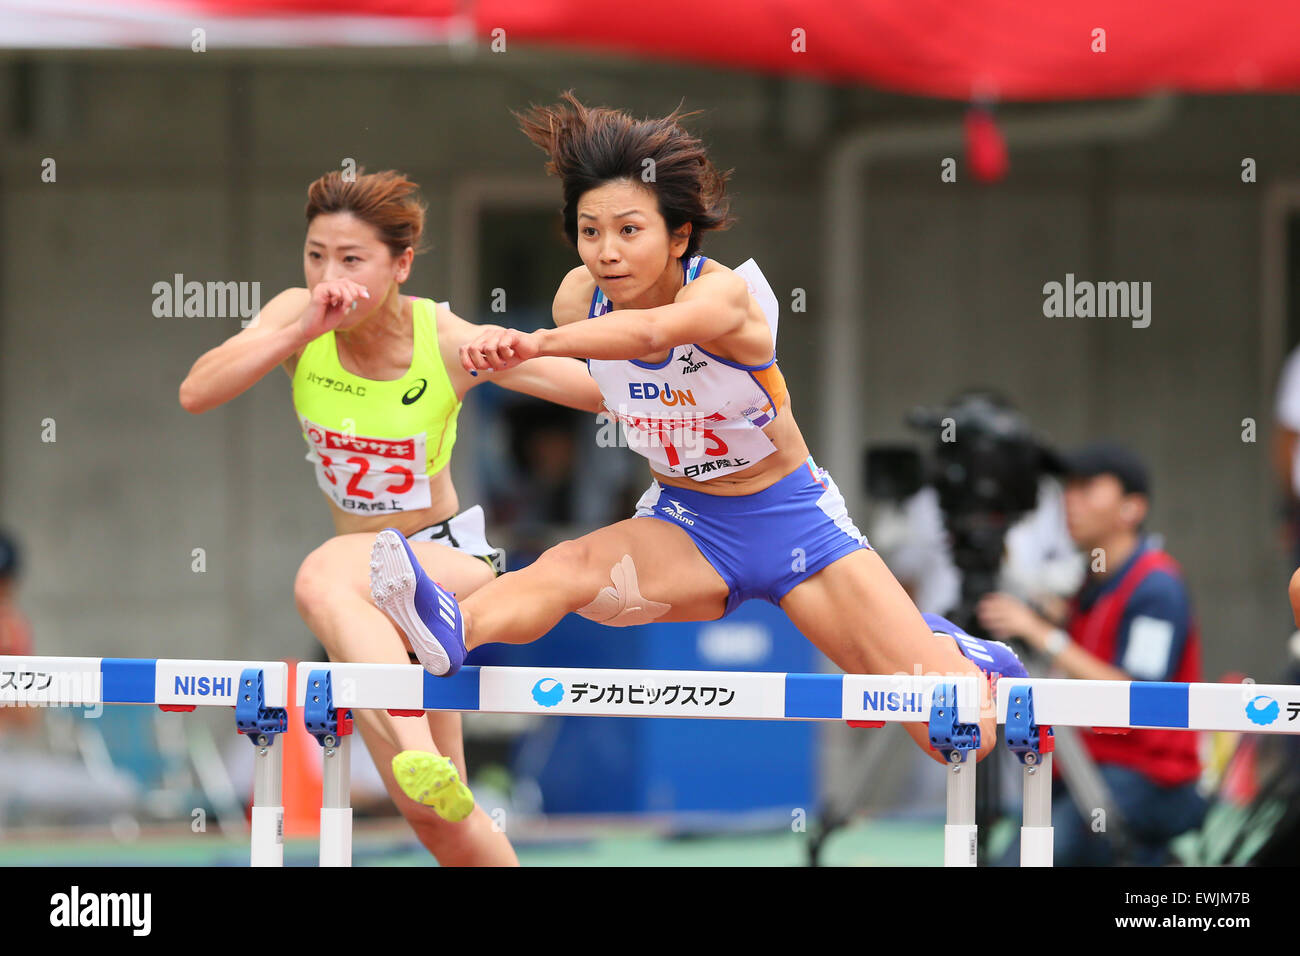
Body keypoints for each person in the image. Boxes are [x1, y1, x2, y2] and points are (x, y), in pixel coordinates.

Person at [359, 94, 1026, 804]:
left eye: (628, 230)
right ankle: (452, 627)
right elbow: (608, 388)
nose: (607, 250)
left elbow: (651, 338)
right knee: (572, 565)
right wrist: (481, 357)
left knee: (952, 730)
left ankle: (956, 652)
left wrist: (535, 344)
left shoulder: (725, 299)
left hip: (795, 525)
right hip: (688, 526)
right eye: (589, 231)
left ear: (679, 237)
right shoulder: (575, 300)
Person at [179, 168, 604, 865]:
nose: (328, 275)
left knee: (321, 575)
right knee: (442, 819)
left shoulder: (438, 336)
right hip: (375, 605)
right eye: (316, 255)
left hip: (442, 565)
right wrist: (299, 331)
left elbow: (595, 392)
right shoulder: (299, 315)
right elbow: (199, 390)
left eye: (351, 260)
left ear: (401, 264)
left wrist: (535, 345)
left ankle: (408, 747)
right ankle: (422, 761)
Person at [977, 441, 1207, 865]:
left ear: (1132, 508)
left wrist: (1042, 634)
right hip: (1086, 770)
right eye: (1068, 488)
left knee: (1026, 859)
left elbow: (1137, 694)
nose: (1071, 500)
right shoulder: (1092, 583)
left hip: (1147, 777)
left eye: (1087, 488)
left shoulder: (1156, 586)